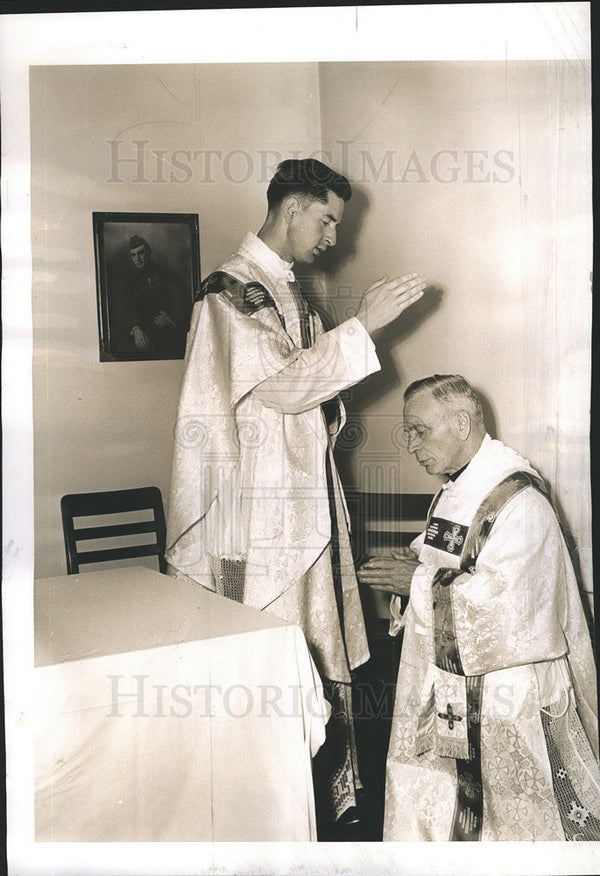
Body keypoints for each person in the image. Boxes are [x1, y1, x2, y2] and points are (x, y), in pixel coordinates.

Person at [165, 158, 426, 824]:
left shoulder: (287, 292)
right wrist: (363, 325)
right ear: (292, 209)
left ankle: (316, 803)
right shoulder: (229, 292)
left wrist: (345, 352)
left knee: (313, 644)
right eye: (327, 219)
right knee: (273, 653)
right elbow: (283, 390)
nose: (333, 238)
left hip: (300, 502)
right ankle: (272, 811)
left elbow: (307, 395)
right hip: (255, 518)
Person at [358, 374, 600, 841]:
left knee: (508, 817)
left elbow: (513, 604)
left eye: (418, 430)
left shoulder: (520, 500)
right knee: (432, 791)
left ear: (462, 422)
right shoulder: (460, 487)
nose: (410, 444)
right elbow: (450, 557)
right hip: (452, 682)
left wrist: (418, 581)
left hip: (506, 691)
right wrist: (414, 563)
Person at [118, 234, 188, 358]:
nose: (137, 259)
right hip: (140, 339)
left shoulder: (167, 274)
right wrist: (135, 329)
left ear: (149, 252)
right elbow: (124, 308)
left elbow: (184, 300)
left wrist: (171, 318)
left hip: (166, 336)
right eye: (133, 255)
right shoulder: (128, 280)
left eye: (141, 253)